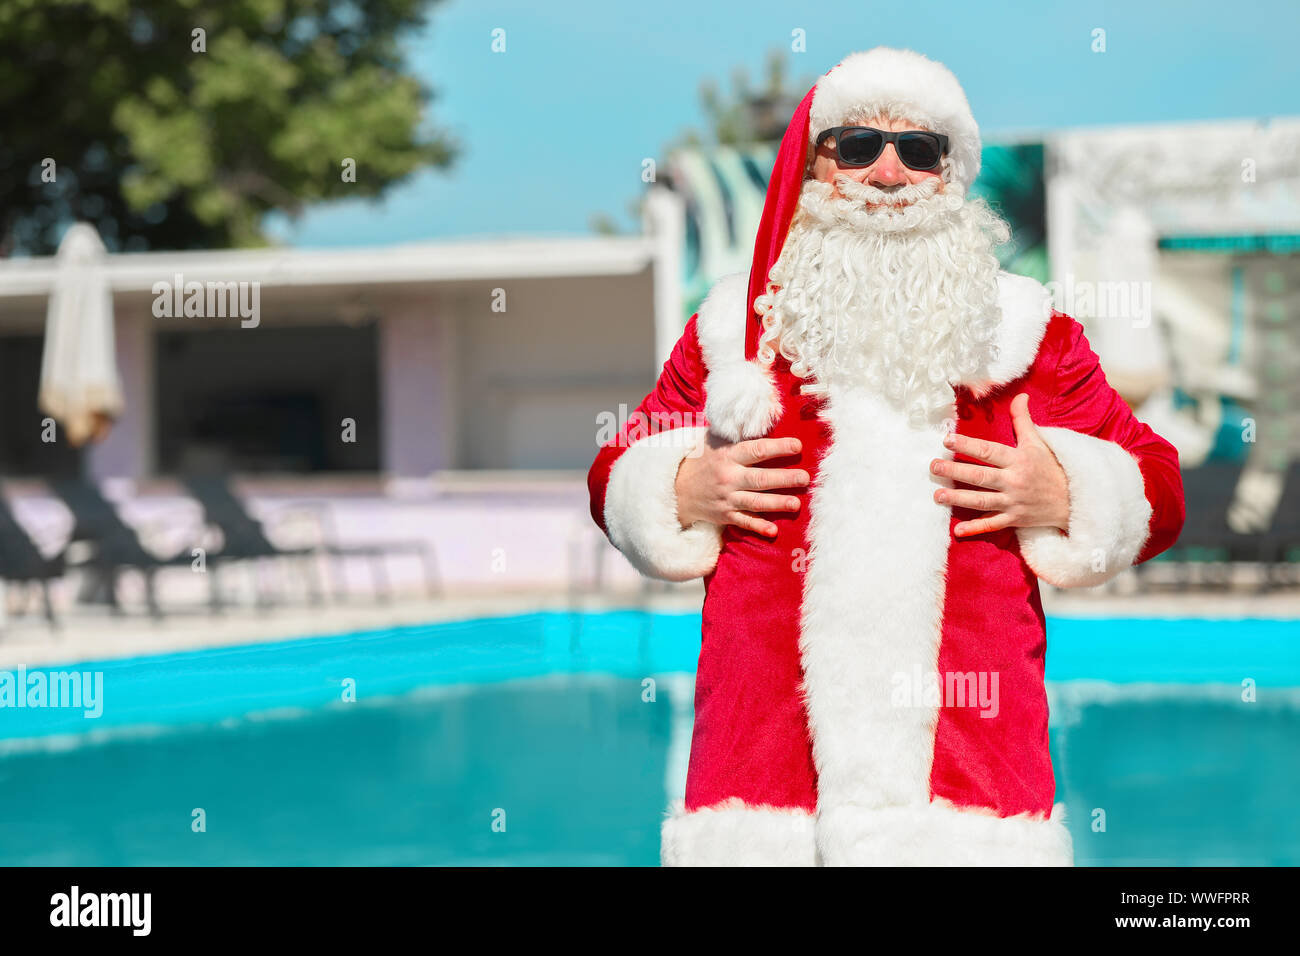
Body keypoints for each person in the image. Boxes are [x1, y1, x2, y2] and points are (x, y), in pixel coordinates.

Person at [587, 47, 1185, 866]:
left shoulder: (1027, 332)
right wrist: (686, 487)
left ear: (950, 173)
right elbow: (618, 465)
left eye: (921, 149)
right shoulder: (731, 330)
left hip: (969, 794)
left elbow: (1156, 480)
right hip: (764, 789)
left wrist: (1069, 494)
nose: (891, 171)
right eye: (858, 146)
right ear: (812, 165)